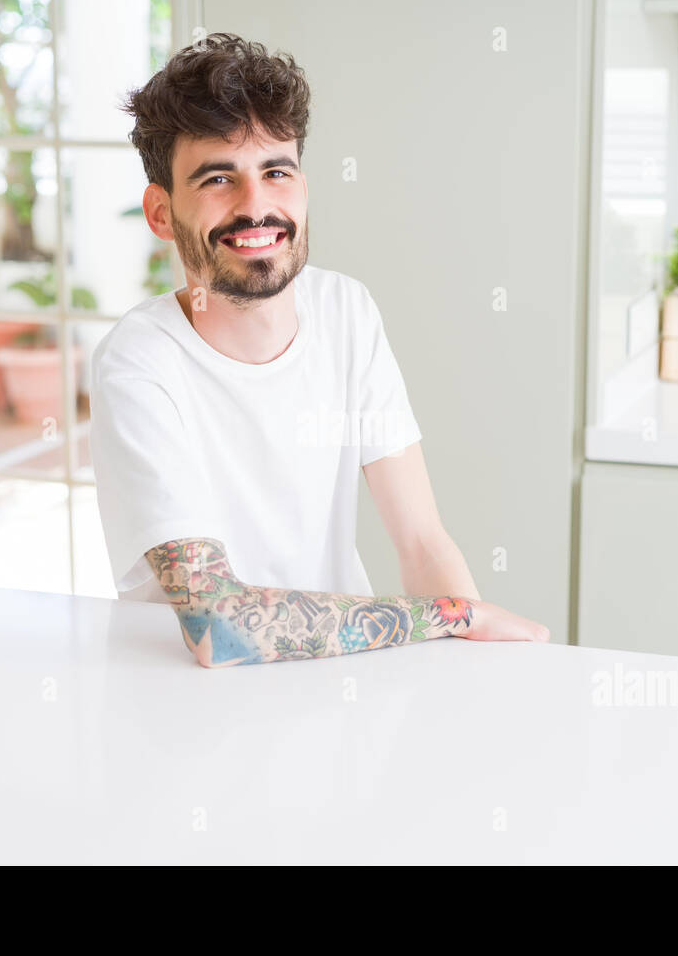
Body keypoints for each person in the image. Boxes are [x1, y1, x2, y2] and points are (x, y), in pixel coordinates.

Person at [91, 33, 549, 667]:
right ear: (162, 213)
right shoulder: (138, 364)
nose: (257, 207)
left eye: (276, 171)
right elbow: (221, 627)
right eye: (218, 179)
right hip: (193, 715)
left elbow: (421, 541)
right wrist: (453, 615)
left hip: (341, 689)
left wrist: (469, 672)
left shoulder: (346, 311)